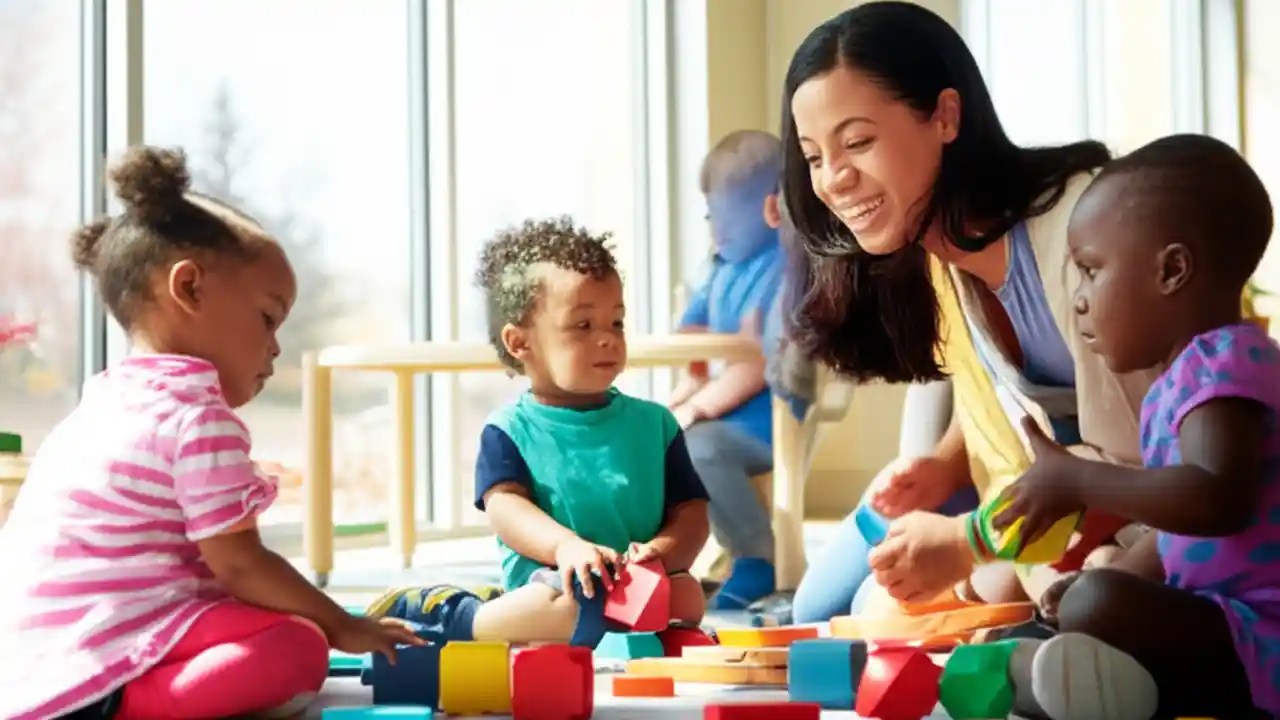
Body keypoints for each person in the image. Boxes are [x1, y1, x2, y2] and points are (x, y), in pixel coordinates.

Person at [0, 147, 421, 720]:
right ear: (191, 289)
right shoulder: (195, 414)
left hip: (35, 660)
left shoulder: (106, 400)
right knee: (299, 645)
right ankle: (132, 707)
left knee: (277, 619)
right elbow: (241, 565)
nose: (274, 346)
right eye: (268, 318)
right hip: (96, 663)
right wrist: (341, 624)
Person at [780, 0, 1158, 618]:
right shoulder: (938, 253)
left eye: (858, 142)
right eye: (815, 156)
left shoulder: (1081, 235)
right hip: (1028, 496)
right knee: (818, 612)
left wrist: (971, 542)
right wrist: (943, 467)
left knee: (878, 612)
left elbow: (1164, 461)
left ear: (946, 117)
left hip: (1123, 503)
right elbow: (1010, 390)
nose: (833, 180)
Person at [997, 135, 1278, 718]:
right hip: (1222, 622)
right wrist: (1114, 574)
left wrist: (1079, 479)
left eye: (1091, 271)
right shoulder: (1183, 380)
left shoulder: (1224, 364)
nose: (1078, 300)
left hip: (1262, 636)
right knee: (1080, 604)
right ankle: (1092, 683)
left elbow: (1214, 501)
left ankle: (1129, 693)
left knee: (1099, 603)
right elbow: (1178, 533)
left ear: (1172, 270)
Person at [365, 217, 710, 647]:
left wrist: (665, 550)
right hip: (556, 584)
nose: (607, 339)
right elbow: (506, 509)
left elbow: (691, 512)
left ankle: (622, 627)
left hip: (638, 580)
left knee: (688, 597)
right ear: (519, 343)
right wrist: (566, 548)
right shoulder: (509, 428)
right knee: (562, 610)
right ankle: (459, 616)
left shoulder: (656, 424)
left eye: (616, 323)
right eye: (583, 326)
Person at [670, 130, 785, 609]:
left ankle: (757, 555)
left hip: (770, 421)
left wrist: (696, 408)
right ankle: (668, 562)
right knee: (661, 438)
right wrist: (689, 383)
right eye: (710, 214)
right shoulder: (720, 266)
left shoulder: (782, 265)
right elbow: (692, 327)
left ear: (771, 208)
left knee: (700, 446)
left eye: (728, 214)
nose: (717, 227)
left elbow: (756, 364)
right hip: (724, 410)